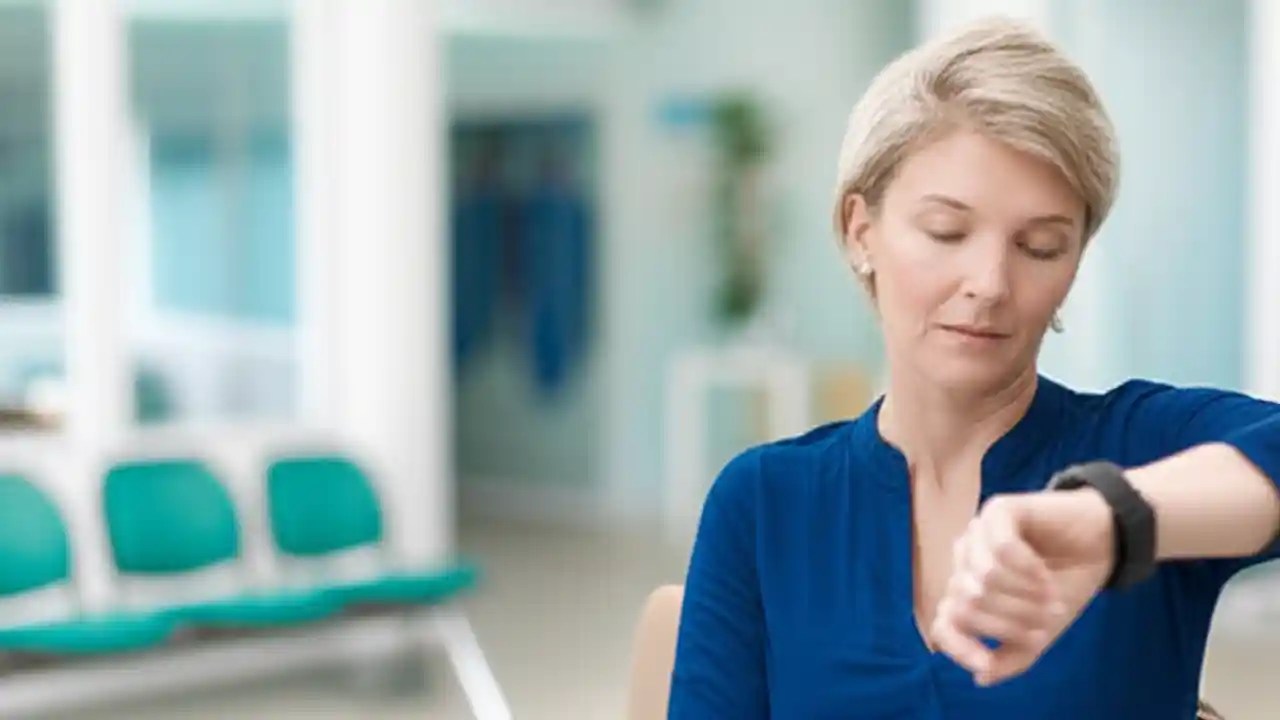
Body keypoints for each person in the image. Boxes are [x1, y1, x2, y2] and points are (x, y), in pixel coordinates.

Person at [669, 16, 1280, 719]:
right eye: (947, 232)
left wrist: (1110, 523)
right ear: (860, 230)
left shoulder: (1142, 448)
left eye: (1042, 246)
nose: (990, 281)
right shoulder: (765, 503)